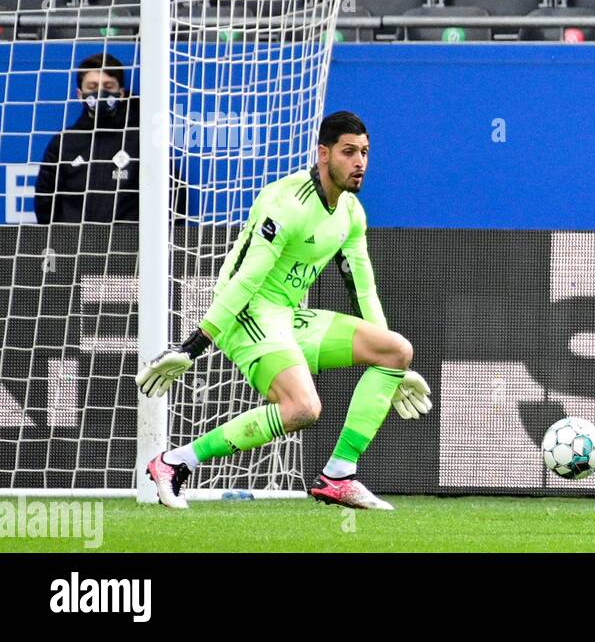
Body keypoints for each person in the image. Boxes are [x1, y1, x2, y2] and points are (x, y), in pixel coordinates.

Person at [135, 111, 433, 511]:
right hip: (246, 311)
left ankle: (339, 474)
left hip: (287, 315)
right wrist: (194, 345)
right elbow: (245, 279)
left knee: (397, 350)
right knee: (304, 408)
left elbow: (363, 289)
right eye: (349, 152)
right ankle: (175, 463)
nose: (360, 162)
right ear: (324, 154)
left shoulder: (351, 214)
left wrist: (393, 370)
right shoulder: (287, 203)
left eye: (364, 152)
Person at [35, 53, 140, 223]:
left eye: (108, 86)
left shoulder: (139, 142)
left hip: (127, 246)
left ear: (121, 94)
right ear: (79, 94)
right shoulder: (64, 143)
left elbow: (170, 193)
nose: (100, 93)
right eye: (92, 87)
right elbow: (44, 200)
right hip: (73, 246)